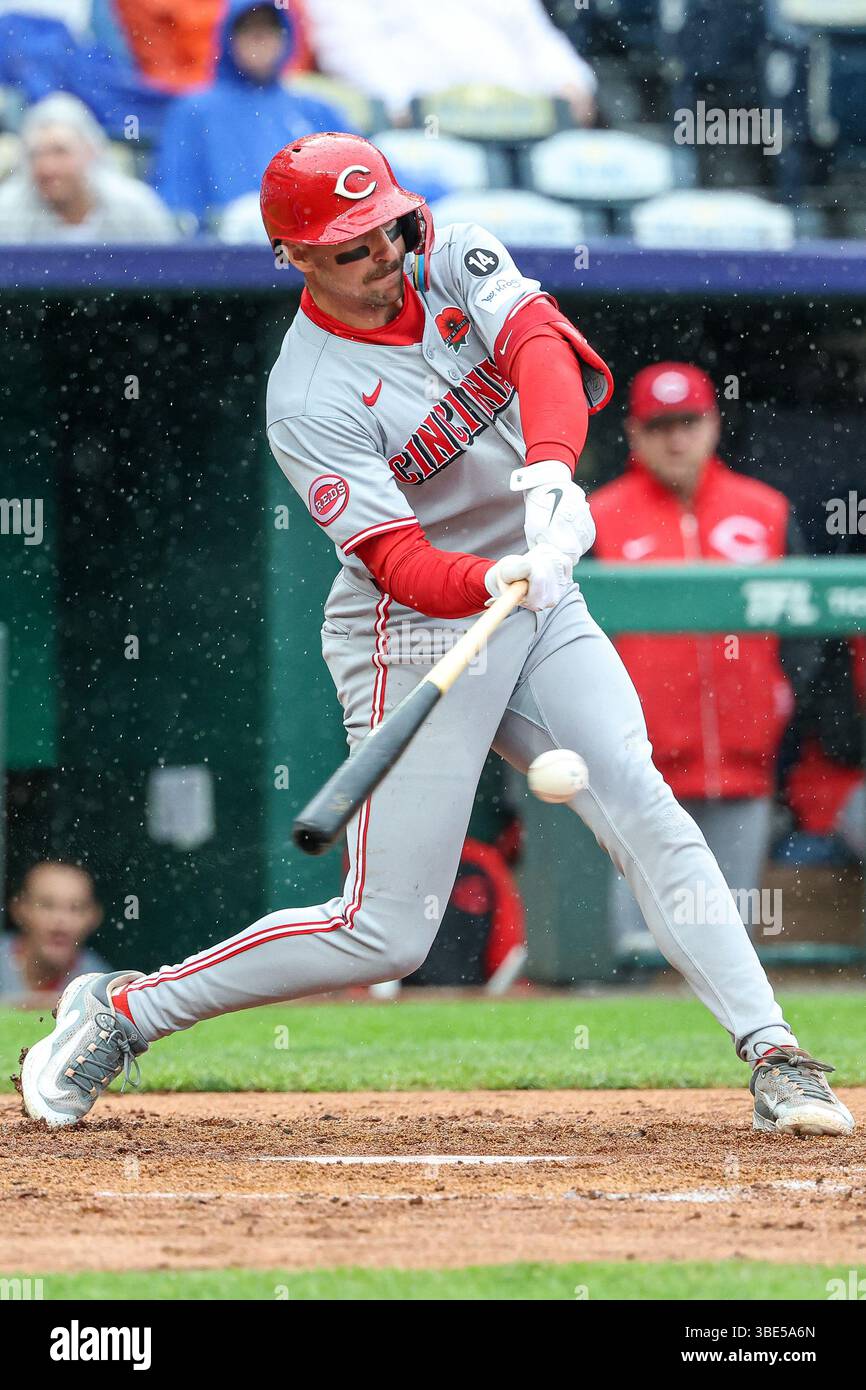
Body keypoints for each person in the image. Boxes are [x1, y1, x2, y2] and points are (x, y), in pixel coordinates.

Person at [21, 132, 852, 1140]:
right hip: (408, 628)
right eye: (350, 243)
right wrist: (492, 572)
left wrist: (549, 475)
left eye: (385, 224)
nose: (381, 250)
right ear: (296, 258)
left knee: (638, 800)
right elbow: (396, 559)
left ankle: (772, 1053)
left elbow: (541, 348)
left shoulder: (453, 252)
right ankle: (122, 1011)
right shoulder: (308, 394)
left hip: (538, 596)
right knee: (382, 933)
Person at [590, 363, 808, 959]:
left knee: (729, 947)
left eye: (688, 422)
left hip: (745, 765)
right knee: (637, 948)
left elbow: (807, 629)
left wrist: (780, 699)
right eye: (660, 426)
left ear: (714, 425)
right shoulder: (598, 516)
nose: (676, 439)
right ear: (634, 434)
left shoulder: (763, 509)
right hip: (642, 774)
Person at [151, 0, 346, 230]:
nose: (260, 39)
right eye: (249, 29)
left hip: (312, 240)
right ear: (229, 37)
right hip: (225, 249)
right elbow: (177, 200)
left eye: (269, 28)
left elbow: (362, 179)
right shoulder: (194, 110)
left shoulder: (314, 107)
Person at [302, 0, 597, 123]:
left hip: (523, 124)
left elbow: (540, 41)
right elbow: (346, 48)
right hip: (422, 127)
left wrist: (570, 83)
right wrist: (402, 106)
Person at [0, 92, 177, 243]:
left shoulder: (135, 208)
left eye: (60, 152)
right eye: (36, 155)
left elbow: (171, 273)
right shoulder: (7, 214)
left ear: (90, 152)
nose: (48, 167)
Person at [2, 861, 111, 1005]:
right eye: (47, 905)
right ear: (19, 908)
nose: (61, 921)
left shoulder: (102, 989)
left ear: (93, 917)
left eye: (75, 908)